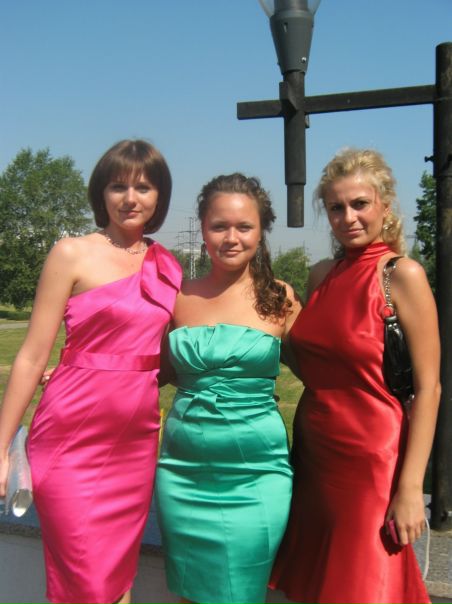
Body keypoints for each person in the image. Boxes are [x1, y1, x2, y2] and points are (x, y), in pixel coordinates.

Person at [0, 139, 182, 604]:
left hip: (135, 443)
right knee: (84, 579)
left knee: (117, 575)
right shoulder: (71, 253)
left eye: (144, 187)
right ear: (101, 192)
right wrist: (0, 446)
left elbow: (168, 355)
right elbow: (31, 356)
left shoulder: (168, 266)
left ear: (160, 196)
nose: (130, 198)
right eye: (118, 186)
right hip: (70, 436)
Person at [270, 148, 441, 604]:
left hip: (372, 457)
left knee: (362, 584)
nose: (348, 217)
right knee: (319, 584)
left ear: (385, 205)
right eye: (336, 207)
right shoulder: (320, 275)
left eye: (360, 204)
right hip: (314, 452)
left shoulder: (402, 275)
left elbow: (429, 388)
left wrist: (410, 487)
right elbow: (313, 366)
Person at [155, 173, 302, 604]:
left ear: (261, 231)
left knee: (241, 593)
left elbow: (323, 369)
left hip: (257, 475)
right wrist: (77, 372)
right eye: (219, 226)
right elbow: (150, 371)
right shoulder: (177, 297)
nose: (231, 238)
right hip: (183, 473)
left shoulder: (280, 298)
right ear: (202, 229)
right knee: (190, 594)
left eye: (244, 227)